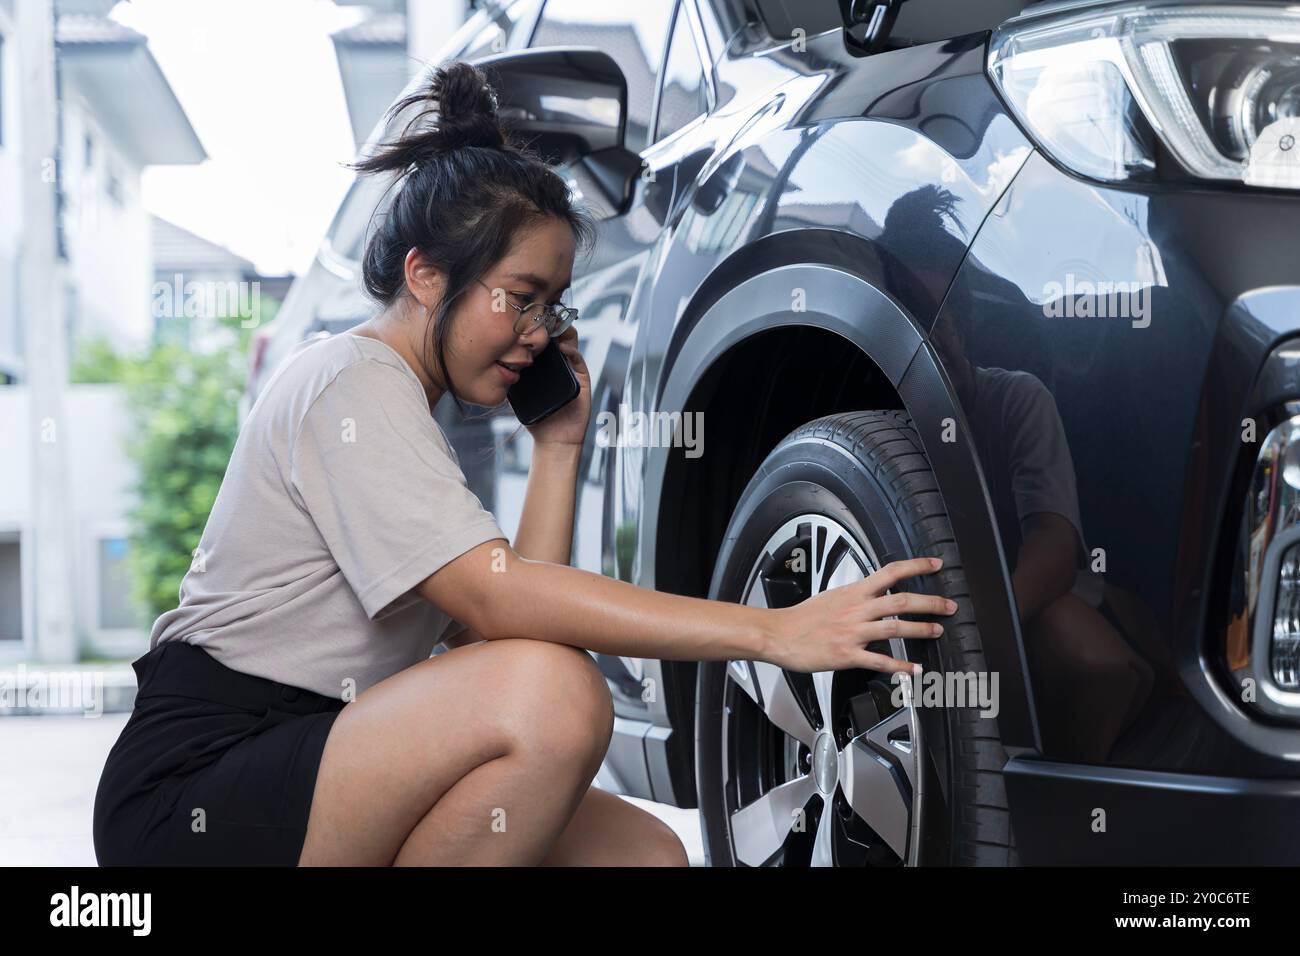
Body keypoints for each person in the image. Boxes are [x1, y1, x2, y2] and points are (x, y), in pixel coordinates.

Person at [92, 61, 954, 867]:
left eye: (555, 303)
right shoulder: (347, 382)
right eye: (521, 296)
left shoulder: (405, 414)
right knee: (556, 696)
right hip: (201, 782)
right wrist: (770, 632)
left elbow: (502, 629)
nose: (540, 332)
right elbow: (501, 607)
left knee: (647, 857)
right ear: (425, 276)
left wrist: (559, 445)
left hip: (330, 751)